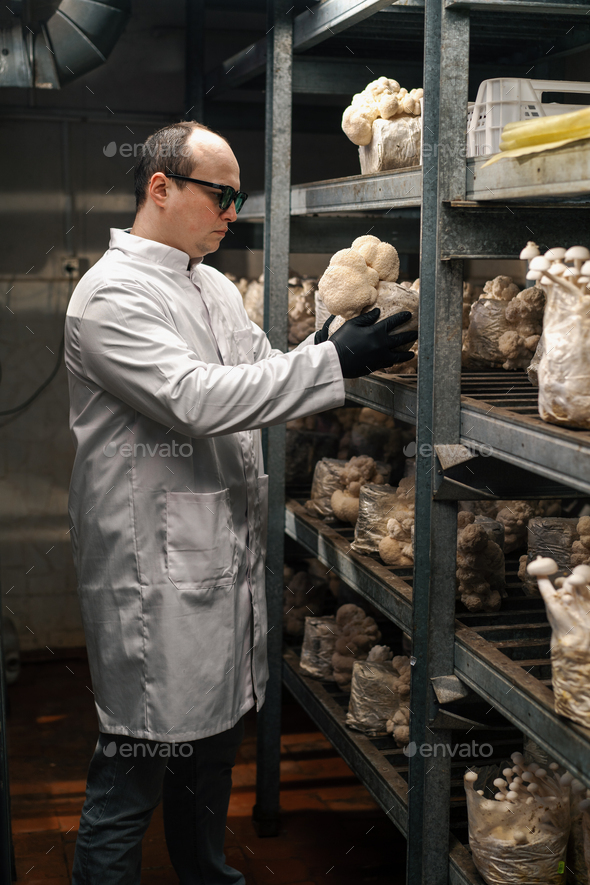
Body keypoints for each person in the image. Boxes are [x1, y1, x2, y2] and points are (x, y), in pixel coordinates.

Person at [64, 120, 416, 885]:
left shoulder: (212, 283)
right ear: (160, 187)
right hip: (150, 578)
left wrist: (329, 340)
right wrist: (328, 363)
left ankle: (209, 876)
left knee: (210, 756)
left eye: (238, 198)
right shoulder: (109, 295)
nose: (232, 212)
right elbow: (192, 399)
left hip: (218, 563)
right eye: (221, 195)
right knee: (132, 776)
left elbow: (263, 371)